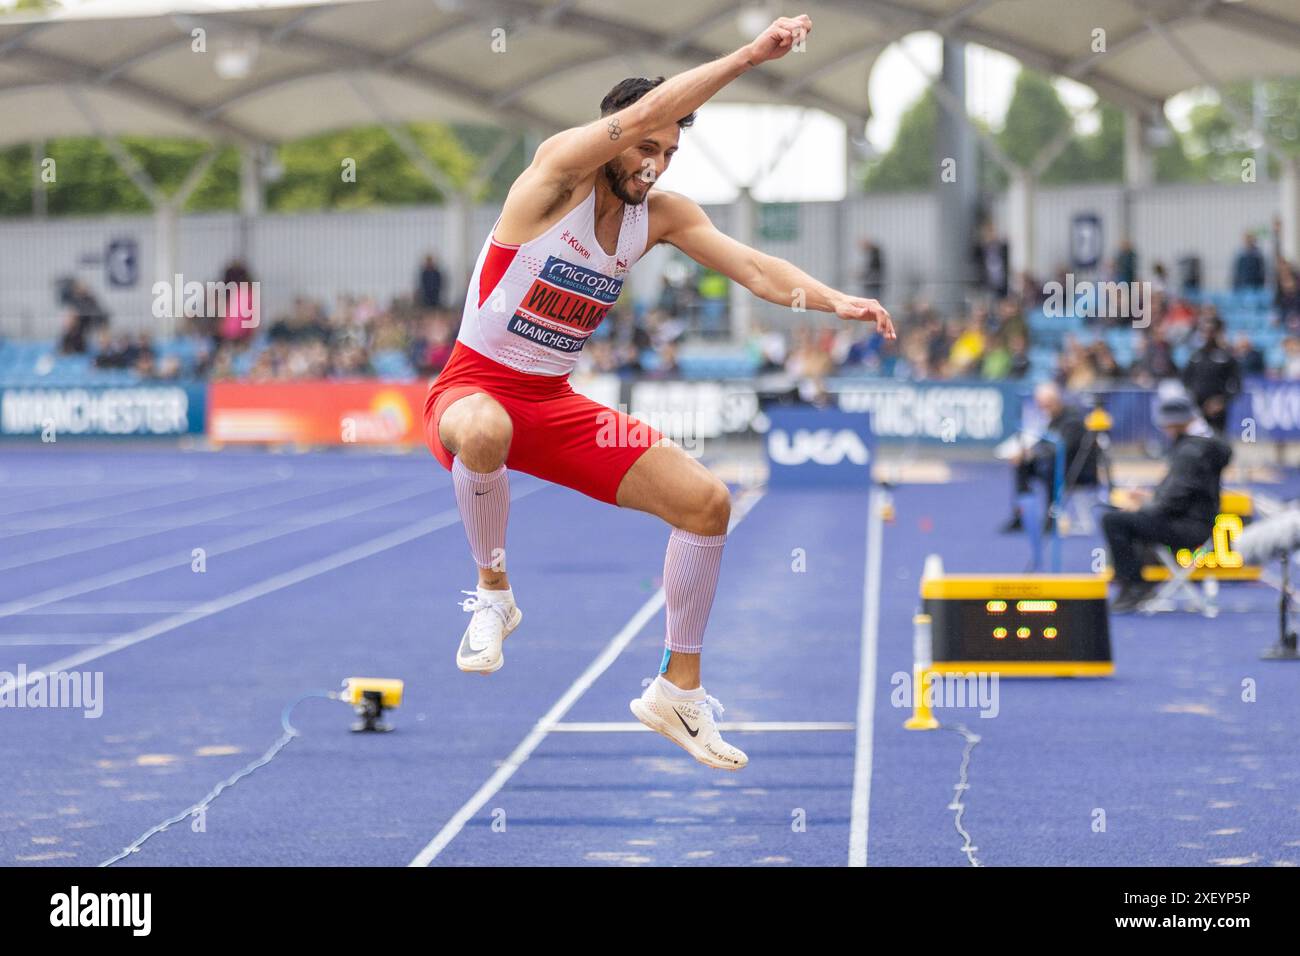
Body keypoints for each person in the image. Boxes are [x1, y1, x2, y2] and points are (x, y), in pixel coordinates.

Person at [421, 14, 893, 771]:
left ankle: (679, 690)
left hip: (555, 404)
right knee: (482, 431)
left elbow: (758, 270)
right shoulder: (552, 179)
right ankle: (494, 594)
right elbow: (640, 114)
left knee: (707, 503)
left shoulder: (657, 217)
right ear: (615, 134)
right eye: (648, 146)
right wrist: (751, 54)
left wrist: (836, 300)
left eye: (671, 152)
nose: (657, 162)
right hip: (475, 389)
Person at [1102, 394, 1232, 612]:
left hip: (1187, 528)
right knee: (1122, 518)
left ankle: (1135, 585)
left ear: (1175, 423)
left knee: (1114, 521)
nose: (1163, 429)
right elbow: (1181, 494)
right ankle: (1136, 582)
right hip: (1195, 522)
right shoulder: (1200, 447)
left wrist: (1143, 507)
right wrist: (1149, 499)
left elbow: (1175, 500)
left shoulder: (1191, 452)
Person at [1000, 382, 1098, 533]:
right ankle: (1021, 515)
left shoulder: (1072, 420)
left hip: (1076, 471)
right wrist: (1027, 452)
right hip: (1056, 466)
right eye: (1040, 405)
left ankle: (1051, 518)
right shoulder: (1052, 417)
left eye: (1046, 405)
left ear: (1055, 401)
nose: (1043, 409)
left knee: (1050, 469)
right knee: (1022, 466)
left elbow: (1062, 447)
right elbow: (1044, 442)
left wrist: (1034, 453)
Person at [1182, 314, 1240, 433]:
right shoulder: (1195, 356)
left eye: (1211, 331)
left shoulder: (1226, 357)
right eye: (1204, 331)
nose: (1207, 334)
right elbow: (1185, 380)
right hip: (1197, 409)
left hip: (1217, 410)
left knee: (1216, 442)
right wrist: (1193, 399)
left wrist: (1222, 401)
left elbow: (1236, 383)